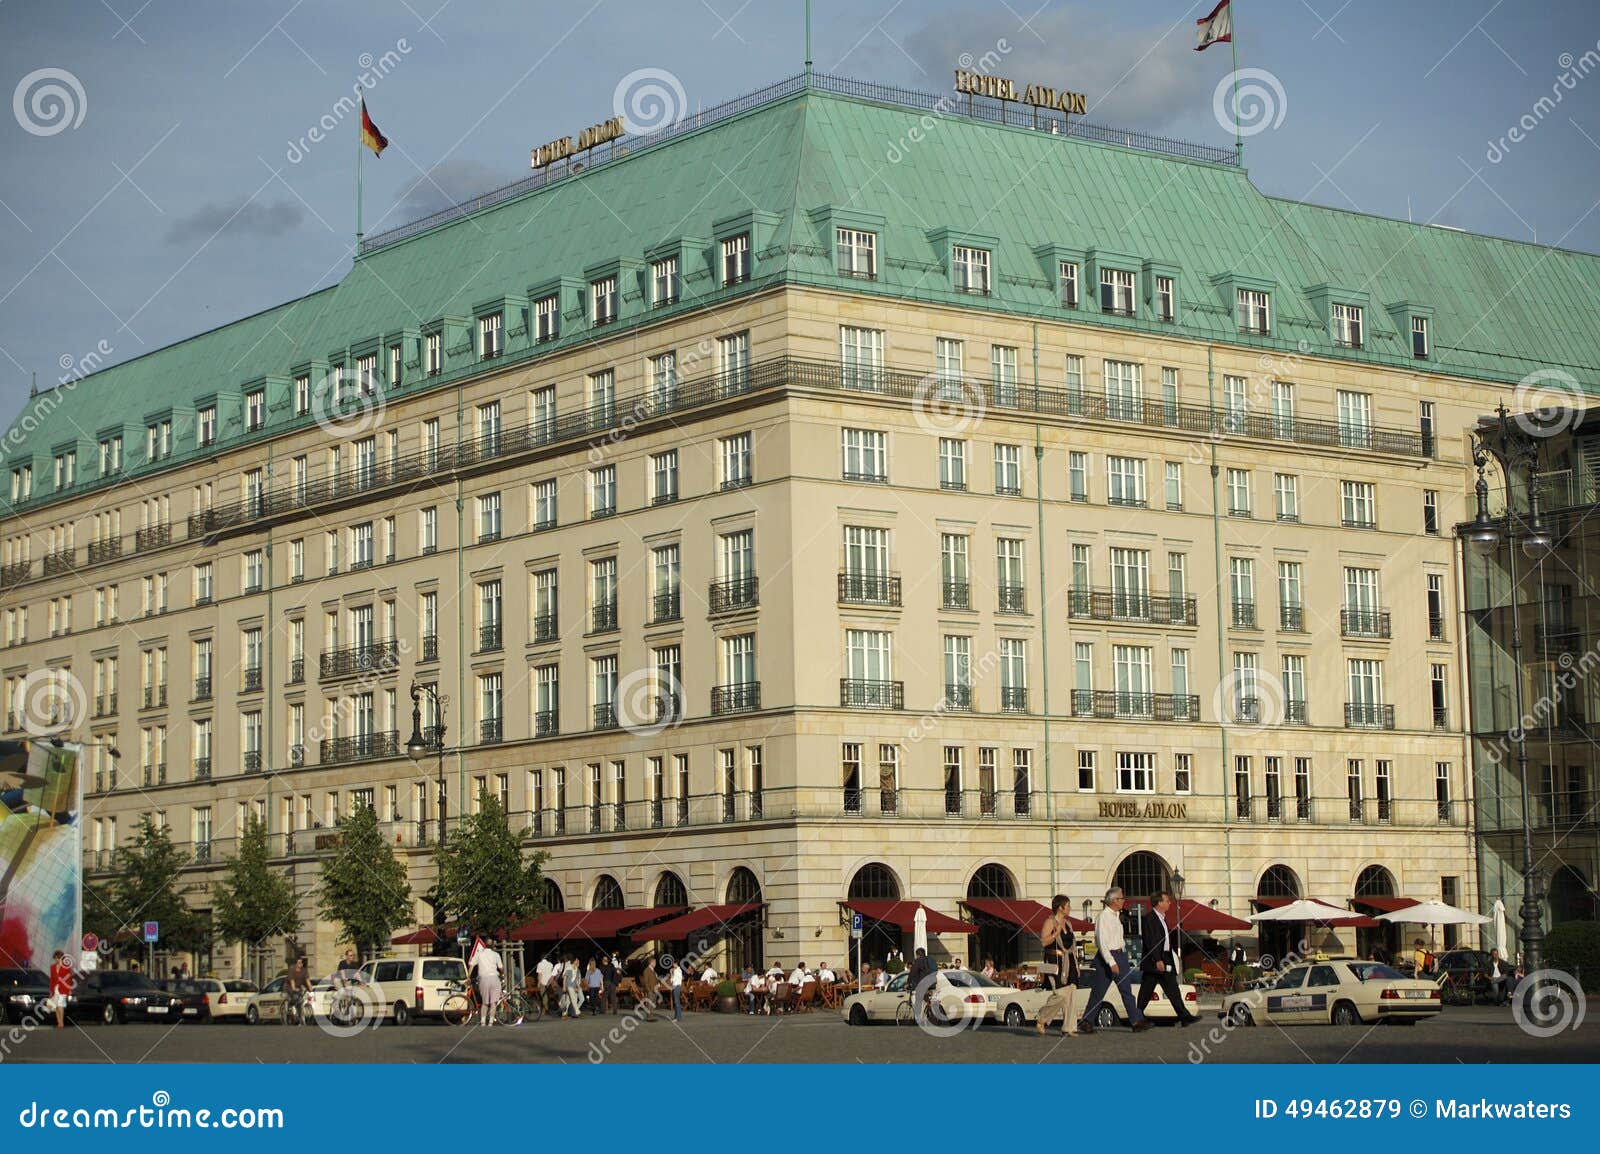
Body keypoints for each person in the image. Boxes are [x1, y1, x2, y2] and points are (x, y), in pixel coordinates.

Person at [1078, 887, 1147, 1033]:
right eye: (1121, 898)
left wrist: (1122, 956)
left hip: (1120, 955)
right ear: (1114, 900)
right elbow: (1102, 942)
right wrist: (1111, 962)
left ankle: (1135, 1021)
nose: (1123, 900)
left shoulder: (1117, 916)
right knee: (1099, 991)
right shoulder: (1103, 917)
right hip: (1108, 957)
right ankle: (1087, 1021)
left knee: (1126, 991)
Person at [1138, 890, 1200, 1026]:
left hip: (1165, 957)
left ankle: (1184, 1017)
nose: (1169, 903)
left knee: (1173, 989)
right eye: (1166, 900)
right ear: (1159, 903)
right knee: (1146, 990)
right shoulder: (1150, 918)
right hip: (1156, 959)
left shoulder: (1163, 918)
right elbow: (1151, 941)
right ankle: (1137, 1015)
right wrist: (1157, 959)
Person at [1034, 894, 1080, 1037]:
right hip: (1056, 961)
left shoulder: (1069, 923)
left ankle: (1069, 1027)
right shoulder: (1050, 922)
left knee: (1071, 992)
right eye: (1068, 906)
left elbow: (1072, 945)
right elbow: (1043, 942)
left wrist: (1077, 966)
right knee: (1060, 994)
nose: (1070, 909)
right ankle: (1042, 1018)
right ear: (1060, 908)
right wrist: (1056, 934)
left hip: (1069, 960)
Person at [468, 940, 506, 1026]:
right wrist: (503, 974)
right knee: (493, 1002)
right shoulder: (496, 955)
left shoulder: (479, 954)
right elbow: (501, 968)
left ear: (485, 945)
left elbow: (472, 965)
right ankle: (491, 1022)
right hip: (495, 979)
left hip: (484, 979)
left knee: (485, 1002)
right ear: (492, 945)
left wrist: (468, 977)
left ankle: (482, 1022)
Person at [906, 947, 935, 1018]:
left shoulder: (918, 961)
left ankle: (918, 1017)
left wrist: (908, 982)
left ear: (918, 955)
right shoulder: (930, 960)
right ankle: (930, 1008)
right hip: (932, 982)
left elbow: (913, 972)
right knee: (925, 996)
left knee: (918, 998)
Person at [48, 949, 72, 1029]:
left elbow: (69, 979)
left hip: (63, 988)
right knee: (56, 1006)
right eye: (55, 958)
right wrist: (51, 991)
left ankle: (61, 1022)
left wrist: (69, 990)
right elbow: (52, 980)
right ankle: (59, 1022)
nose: (56, 960)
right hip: (55, 989)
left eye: (58, 958)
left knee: (60, 1005)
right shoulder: (52, 967)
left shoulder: (66, 967)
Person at [285, 957, 310, 1022]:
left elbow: (307, 980)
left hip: (298, 988)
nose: (301, 964)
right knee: (295, 997)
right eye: (299, 963)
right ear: (296, 964)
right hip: (289, 987)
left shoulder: (304, 971)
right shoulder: (292, 970)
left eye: (301, 963)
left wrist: (310, 988)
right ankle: (290, 1006)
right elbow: (292, 982)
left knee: (300, 1001)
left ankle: (300, 1017)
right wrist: (294, 988)